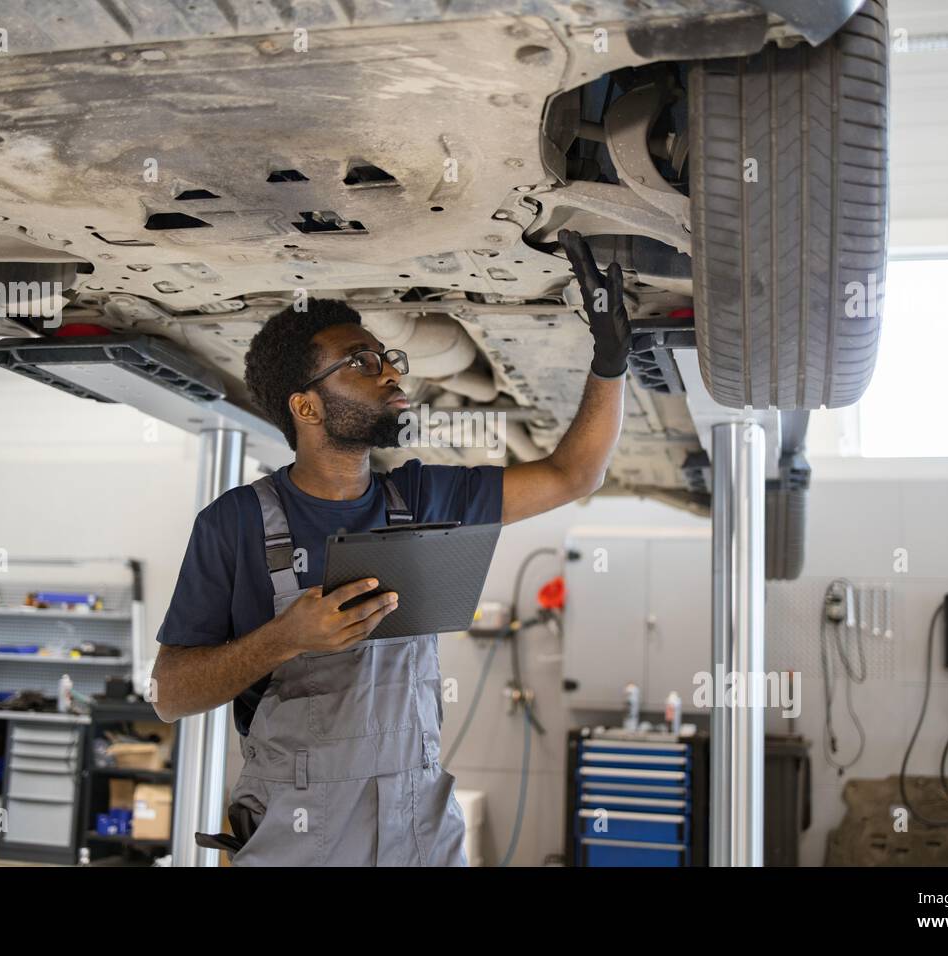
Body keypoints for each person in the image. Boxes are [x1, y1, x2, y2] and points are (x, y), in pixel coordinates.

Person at [152, 231, 631, 865]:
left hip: (418, 819)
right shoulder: (235, 524)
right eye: (362, 362)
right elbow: (168, 695)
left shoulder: (425, 497)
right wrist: (286, 637)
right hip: (299, 834)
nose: (391, 372)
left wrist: (611, 358)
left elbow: (575, 474)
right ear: (306, 406)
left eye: (388, 357)